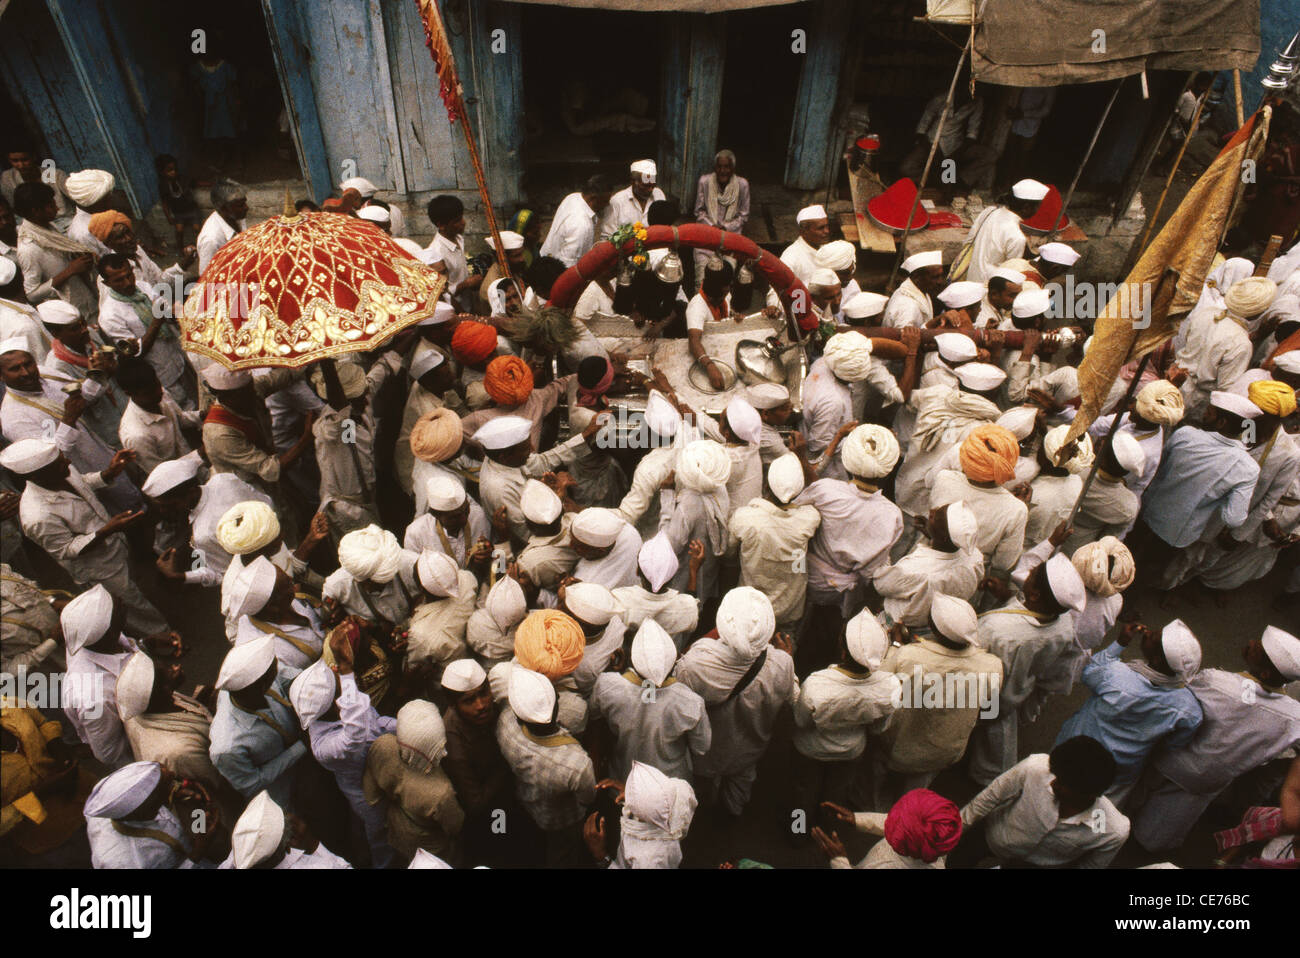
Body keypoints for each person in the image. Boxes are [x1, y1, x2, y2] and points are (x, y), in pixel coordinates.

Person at [1132, 625, 1300, 852]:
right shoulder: (1294, 718)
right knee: (1162, 826)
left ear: (1266, 673)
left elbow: (1180, 696)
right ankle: (1143, 844)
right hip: (1209, 779)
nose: (1250, 643)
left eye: (1257, 649)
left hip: (1169, 758)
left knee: (1136, 793)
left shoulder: (1217, 682)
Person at [2, 440, 166, 634]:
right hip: (98, 567)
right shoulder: (37, 515)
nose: (68, 462)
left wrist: (108, 473)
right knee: (130, 604)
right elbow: (65, 550)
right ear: (38, 476)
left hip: (115, 544)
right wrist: (106, 531)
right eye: (61, 463)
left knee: (135, 586)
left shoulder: (61, 471)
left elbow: (83, 482)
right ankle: (161, 635)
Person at [674, 588, 797, 816]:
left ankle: (696, 812)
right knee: (741, 784)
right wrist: (787, 657)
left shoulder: (694, 665)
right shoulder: (782, 663)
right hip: (749, 747)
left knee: (699, 785)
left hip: (706, 749)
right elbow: (792, 695)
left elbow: (679, 701)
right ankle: (730, 814)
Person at [874, 594, 1003, 807]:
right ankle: (902, 817)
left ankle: (875, 806)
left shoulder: (908, 655)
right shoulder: (992, 665)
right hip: (944, 750)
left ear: (933, 629)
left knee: (879, 773)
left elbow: (881, 684)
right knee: (915, 790)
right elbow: (988, 711)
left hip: (899, 743)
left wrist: (896, 644)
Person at [1056, 620, 1203, 804]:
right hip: (1120, 770)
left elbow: (1090, 671)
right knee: (1098, 809)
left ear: (1156, 659)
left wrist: (1120, 643)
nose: (1148, 633)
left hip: (1075, 750)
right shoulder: (1189, 710)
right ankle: (1095, 830)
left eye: (1153, 637)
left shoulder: (1116, 675)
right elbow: (1171, 744)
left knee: (1053, 789)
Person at [968, 553, 1085, 785]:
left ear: (1034, 594)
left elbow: (971, 653)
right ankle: (989, 772)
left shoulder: (999, 629)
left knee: (975, 724)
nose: (1027, 575)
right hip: (1017, 689)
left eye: (1030, 577)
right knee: (996, 729)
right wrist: (1007, 597)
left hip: (985, 691)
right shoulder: (1064, 625)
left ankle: (985, 776)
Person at [1136, 390, 1262, 589]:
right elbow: (1234, 518)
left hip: (1146, 509)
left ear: (1221, 423)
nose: (1204, 414)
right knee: (1150, 567)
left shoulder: (1185, 434)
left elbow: (1159, 467)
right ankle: (1129, 604)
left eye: (1210, 413)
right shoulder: (1248, 468)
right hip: (1178, 532)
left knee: (1129, 550)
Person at [956, 736, 1130, 868]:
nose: (1053, 783)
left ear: (1090, 794)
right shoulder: (1035, 767)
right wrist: (951, 831)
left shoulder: (1112, 831)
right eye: (1056, 776)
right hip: (992, 837)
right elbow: (989, 798)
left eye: (1063, 783)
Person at [792, 610, 901, 815]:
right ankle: (827, 830)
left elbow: (801, 721)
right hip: (851, 751)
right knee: (836, 794)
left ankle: (798, 832)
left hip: (811, 750)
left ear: (843, 651)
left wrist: (791, 673)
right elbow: (878, 728)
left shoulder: (817, 683)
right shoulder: (890, 686)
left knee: (804, 792)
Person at [496, 665, 597, 866]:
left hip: (527, 801)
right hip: (563, 820)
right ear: (557, 706)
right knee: (563, 854)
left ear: (517, 714)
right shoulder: (577, 764)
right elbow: (588, 798)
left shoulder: (504, 722)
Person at [209, 635, 309, 808]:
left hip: (306, 766)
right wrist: (301, 747)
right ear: (262, 685)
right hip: (282, 796)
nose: (279, 667)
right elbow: (251, 784)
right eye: (274, 668)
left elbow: (294, 678)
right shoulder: (226, 747)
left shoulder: (252, 682)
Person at [363, 699, 465, 863]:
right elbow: (455, 826)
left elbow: (371, 795)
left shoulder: (382, 745)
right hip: (433, 849)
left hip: (398, 832)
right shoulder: (441, 792)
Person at [729, 454, 821, 631]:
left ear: (765, 486)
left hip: (752, 610)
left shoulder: (745, 518)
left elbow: (728, 552)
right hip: (790, 608)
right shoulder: (809, 519)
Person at [84, 761, 220, 868]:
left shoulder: (123, 804)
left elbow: (198, 834)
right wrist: (199, 851)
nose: (177, 785)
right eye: (168, 786)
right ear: (148, 806)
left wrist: (200, 818)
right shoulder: (124, 862)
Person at [814, 788, 963, 869]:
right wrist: (857, 819)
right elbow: (903, 825)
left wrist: (839, 861)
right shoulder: (939, 837)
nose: (891, 817)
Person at [13, 182, 97, 320]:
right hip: (71, 310)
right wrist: (70, 271)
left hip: (85, 296)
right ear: (36, 211)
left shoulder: (48, 226)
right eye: (51, 206)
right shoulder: (29, 248)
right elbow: (32, 294)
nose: (57, 208)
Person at [952, 179, 1046, 283]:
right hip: (988, 288)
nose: (1038, 210)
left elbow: (968, 242)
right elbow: (1010, 274)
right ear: (1026, 208)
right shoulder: (1017, 237)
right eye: (1038, 206)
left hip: (969, 278)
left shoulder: (989, 211)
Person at [693, 150, 750, 277]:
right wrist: (712, 227)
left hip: (730, 242)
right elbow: (699, 211)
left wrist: (725, 227)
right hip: (706, 241)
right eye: (719, 166)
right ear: (715, 168)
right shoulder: (705, 182)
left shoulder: (742, 185)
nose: (722, 171)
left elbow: (743, 216)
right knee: (702, 280)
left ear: (733, 169)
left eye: (727, 167)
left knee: (725, 283)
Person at [539, 175, 614, 268]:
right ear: (593, 198)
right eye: (605, 201)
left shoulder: (573, 197)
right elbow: (568, 265)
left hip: (546, 258)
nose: (607, 205)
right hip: (554, 271)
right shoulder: (581, 225)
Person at [599, 159, 665, 240]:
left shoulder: (659, 194)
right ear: (633, 181)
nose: (651, 189)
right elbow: (607, 236)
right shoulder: (617, 201)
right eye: (646, 186)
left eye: (653, 185)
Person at [196, 181, 247, 274]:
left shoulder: (237, 217)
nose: (246, 207)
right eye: (241, 205)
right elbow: (206, 278)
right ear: (224, 208)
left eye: (245, 203)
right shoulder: (211, 240)